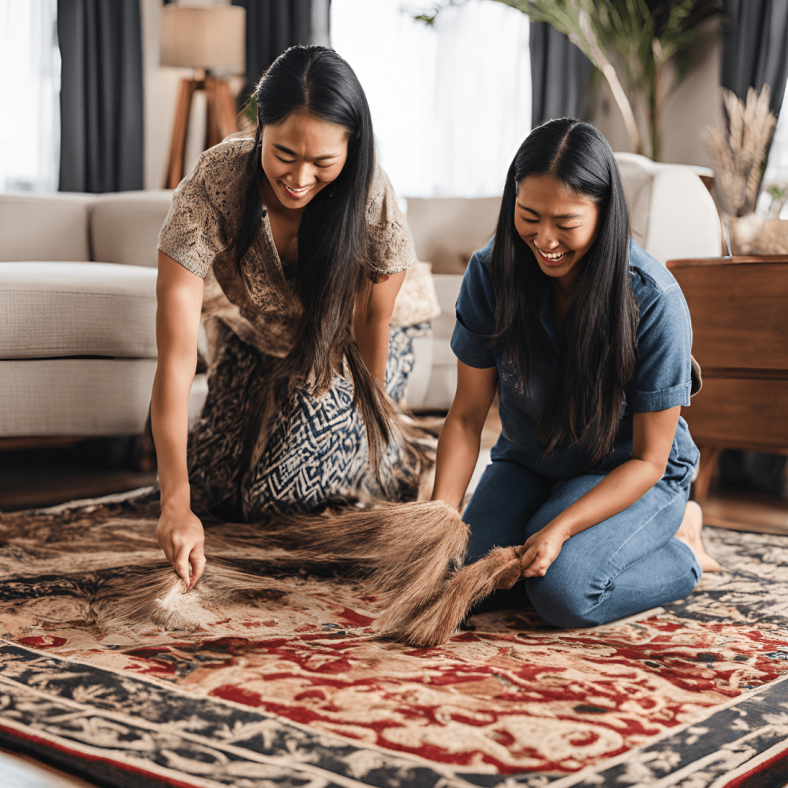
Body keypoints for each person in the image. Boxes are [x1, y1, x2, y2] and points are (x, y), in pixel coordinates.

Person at [151, 46, 435, 592]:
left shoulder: (369, 191)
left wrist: (360, 425)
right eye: (284, 153)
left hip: (355, 340)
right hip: (259, 329)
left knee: (274, 494)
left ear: (351, 147)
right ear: (259, 126)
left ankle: (409, 459)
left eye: (322, 163)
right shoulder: (212, 185)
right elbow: (176, 356)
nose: (300, 178)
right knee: (208, 488)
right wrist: (176, 506)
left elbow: (374, 318)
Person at [431, 118, 720, 629]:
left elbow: (650, 460)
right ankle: (554, 529)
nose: (545, 239)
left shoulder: (654, 299)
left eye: (566, 223)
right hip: (529, 465)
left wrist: (561, 529)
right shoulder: (490, 272)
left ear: (604, 213)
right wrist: (436, 525)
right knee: (460, 580)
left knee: (561, 590)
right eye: (529, 216)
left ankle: (683, 547)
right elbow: (466, 416)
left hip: (631, 474)